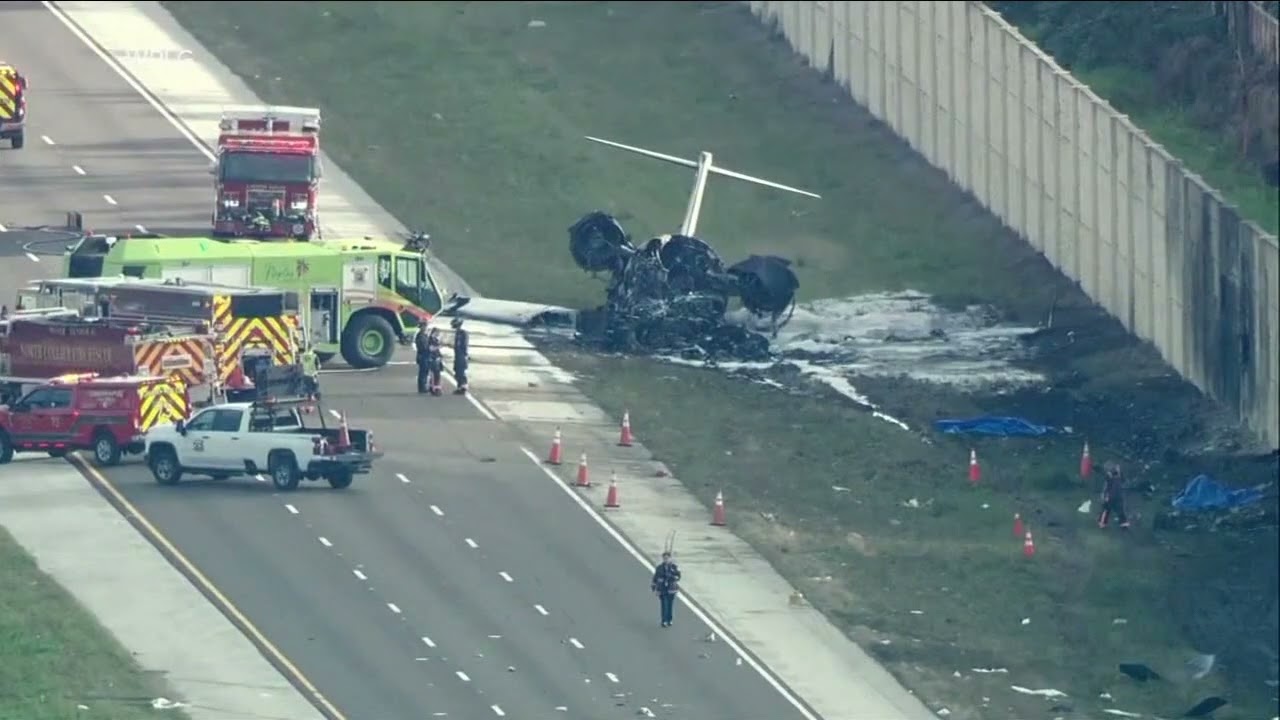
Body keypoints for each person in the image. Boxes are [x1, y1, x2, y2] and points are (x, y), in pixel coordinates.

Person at [651, 551, 682, 627]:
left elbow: (678, 577)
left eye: (667, 558)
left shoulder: (674, 567)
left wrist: (672, 575)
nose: (666, 560)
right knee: (664, 604)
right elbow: (655, 578)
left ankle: (669, 619)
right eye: (664, 558)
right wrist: (654, 587)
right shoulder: (659, 568)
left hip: (671, 589)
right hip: (662, 589)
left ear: (670, 559)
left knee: (670, 605)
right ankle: (664, 620)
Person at [1097, 461, 1130, 529]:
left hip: (1111, 497)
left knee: (1106, 510)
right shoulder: (1117, 477)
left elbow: (1110, 488)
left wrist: (1106, 496)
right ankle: (1124, 523)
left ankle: (1102, 523)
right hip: (1118, 497)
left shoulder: (1113, 478)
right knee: (1120, 510)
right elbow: (1123, 481)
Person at [451, 317, 470, 395]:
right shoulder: (458, 333)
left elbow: (464, 345)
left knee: (461, 371)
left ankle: (463, 387)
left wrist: (465, 354)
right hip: (458, 355)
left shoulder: (463, 333)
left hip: (461, 355)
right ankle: (460, 387)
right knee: (457, 370)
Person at [414, 324, 433, 394]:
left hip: (424, 355)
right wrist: (430, 348)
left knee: (425, 371)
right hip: (423, 355)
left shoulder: (424, 335)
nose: (425, 328)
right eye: (424, 327)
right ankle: (422, 388)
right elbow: (423, 346)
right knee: (423, 372)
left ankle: (423, 386)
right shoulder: (421, 336)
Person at [426, 328, 444, 396]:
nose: (438, 334)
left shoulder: (435, 339)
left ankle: (432, 387)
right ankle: (436, 389)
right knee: (435, 374)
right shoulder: (430, 340)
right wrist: (438, 347)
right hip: (433, 359)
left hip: (436, 358)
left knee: (436, 374)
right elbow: (431, 348)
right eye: (438, 333)